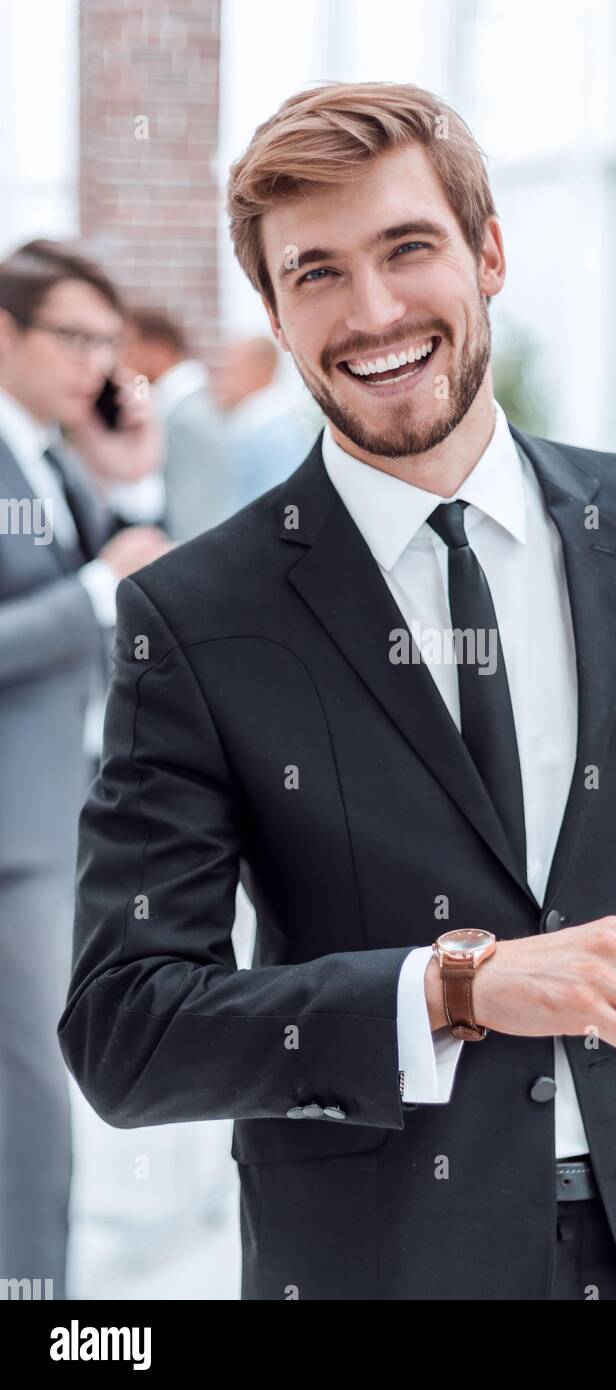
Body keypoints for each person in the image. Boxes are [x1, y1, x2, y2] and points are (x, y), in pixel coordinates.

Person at [58, 82, 616, 1301]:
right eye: (316, 272)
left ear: (488, 253)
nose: (372, 311)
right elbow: (128, 1030)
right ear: (273, 314)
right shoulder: (195, 617)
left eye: (407, 247)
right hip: (378, 1261)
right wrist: (454, 988)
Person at [0, 239, 170, 1298]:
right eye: (75, 338)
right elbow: (102, 599)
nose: (97, 366)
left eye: (112, 344)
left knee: (31, 1092)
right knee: (31, 1094)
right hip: (13, 838)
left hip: (51, 821)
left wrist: (135, 477)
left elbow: (155, 602)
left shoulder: (54, 463)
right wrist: (97, 591)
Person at [122, 308, 233, 542]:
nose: (124, 358)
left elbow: (194, 519)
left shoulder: (187, 416)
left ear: (158, 349)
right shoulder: (190, 406)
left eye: (130, 346)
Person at [210, 336, 314, 506]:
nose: (224, 378)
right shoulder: (251, 422)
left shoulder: (277, 433)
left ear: (259, 369)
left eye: (233, 368)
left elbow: (283, 504)